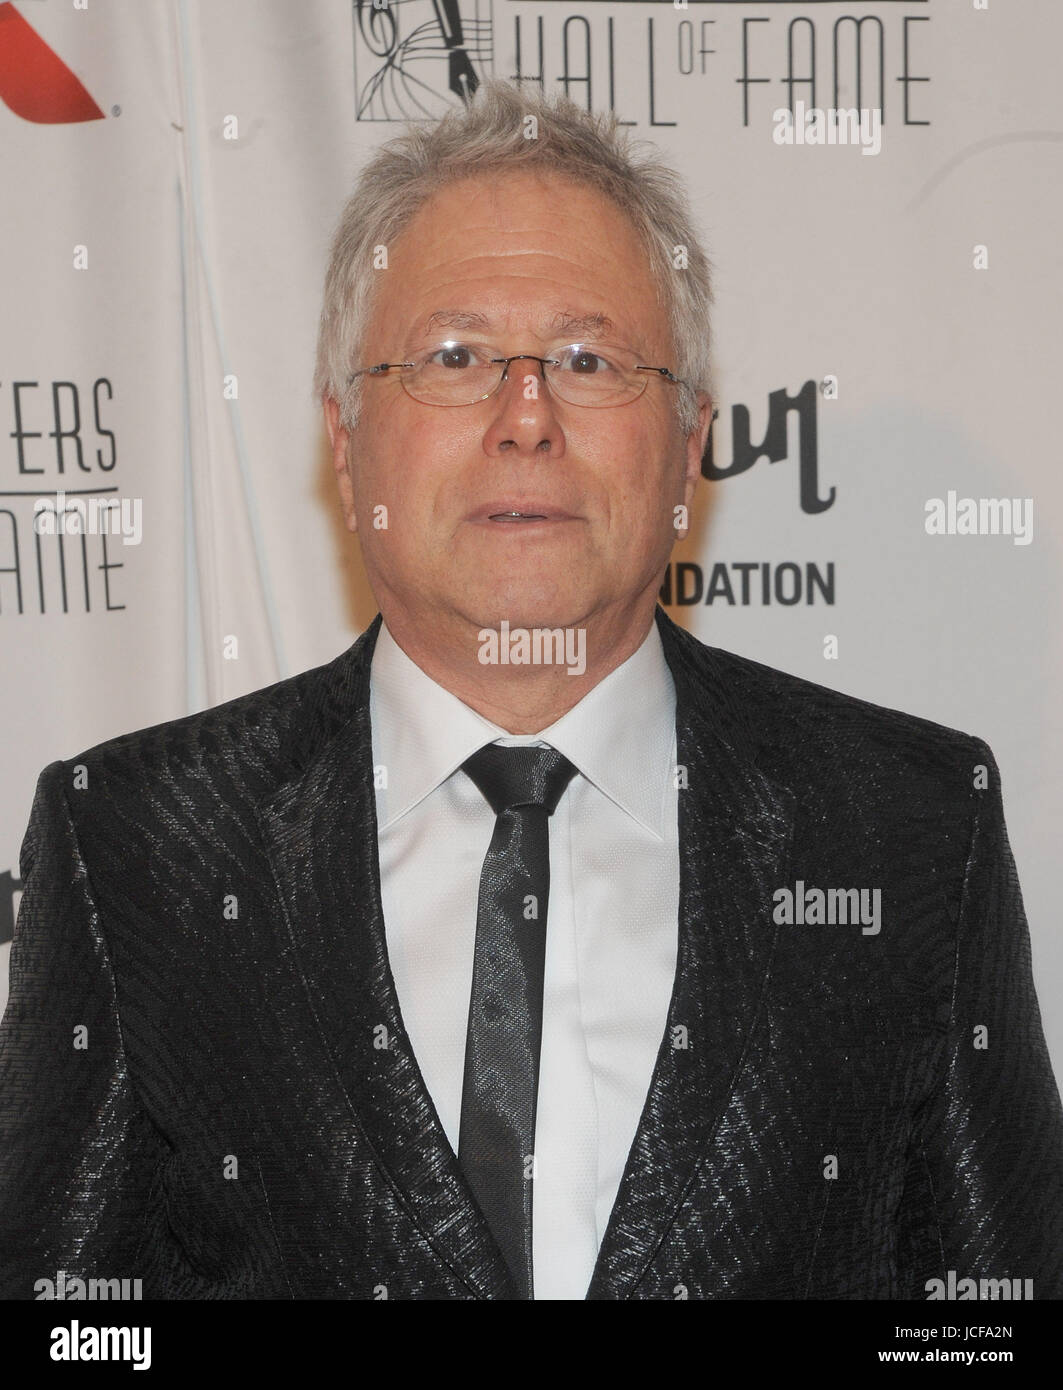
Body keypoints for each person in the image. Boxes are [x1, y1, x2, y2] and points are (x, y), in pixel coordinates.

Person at [1, 79, 1061, 1301]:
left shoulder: (912, 824)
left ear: (688, 438)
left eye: (589, 358)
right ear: (345, 440)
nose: (526, 416)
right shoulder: (134, 840)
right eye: (454, 357)